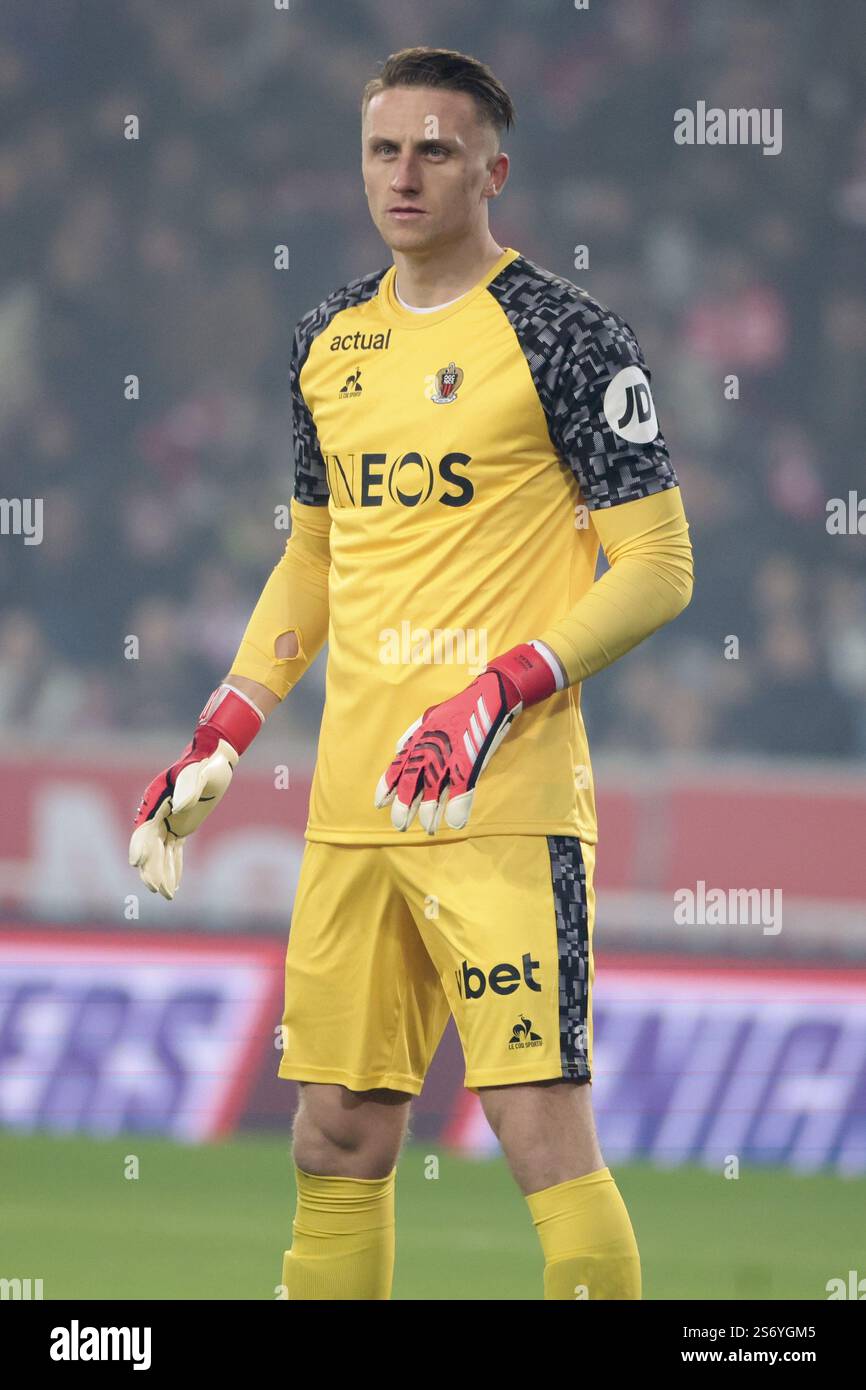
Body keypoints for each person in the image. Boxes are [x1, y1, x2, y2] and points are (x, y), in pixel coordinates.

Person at [130, 45, 693, 1301]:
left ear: (493, 169)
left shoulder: (563, 333)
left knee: (540, 1135)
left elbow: (658, 567)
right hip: (353, 810)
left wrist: (495, 691)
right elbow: (313, 562)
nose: (404, 172)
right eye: (383, 148)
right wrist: (225, 724)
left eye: (435, 149)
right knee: (334, 1133)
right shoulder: (327, 340)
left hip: (499, 805)